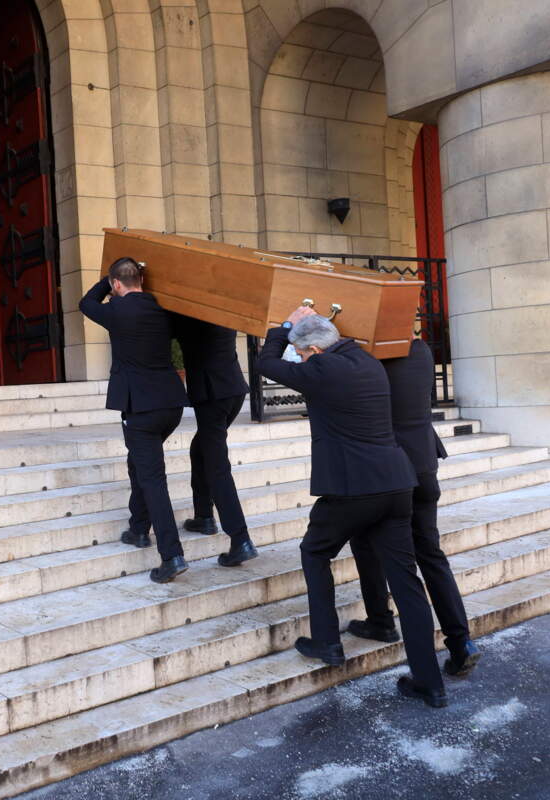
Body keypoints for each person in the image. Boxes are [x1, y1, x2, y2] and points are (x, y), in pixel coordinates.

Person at [257, 309, 448, 708]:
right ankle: (429, 681)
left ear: (313, 349)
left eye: (303, 354)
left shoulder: (322, 370)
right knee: (407, 582)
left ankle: (326, 642)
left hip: (352, 488)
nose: (302, 361)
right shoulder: (366, 361)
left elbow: (265, 362)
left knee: (314, 551)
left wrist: (284, 327)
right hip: (397, 483)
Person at [346, 337, 481, 678]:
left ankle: (381, 621)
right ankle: (460, 641)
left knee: (370, 544)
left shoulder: (365, 358)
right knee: (431, 555)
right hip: (424, 462)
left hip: (389, 468)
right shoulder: (420, 349)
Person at [80, 257, 190, 583]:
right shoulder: (162, 309)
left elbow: (85, 303)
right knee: (140, 465)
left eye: (113, 283)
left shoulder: (115, 310)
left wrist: (105, 279)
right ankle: (139, 528)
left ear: (116, 284)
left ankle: (172, 555)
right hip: (170, 404)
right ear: (141, 279)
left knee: (152, 478)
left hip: (141, 409)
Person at [173, 314, 258, 567]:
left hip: (212, 395)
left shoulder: (189, 316)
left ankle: (240, 540)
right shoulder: (220, 308)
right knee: (200, 449)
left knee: (217, 467)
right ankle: (204, 517)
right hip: (232, 390)